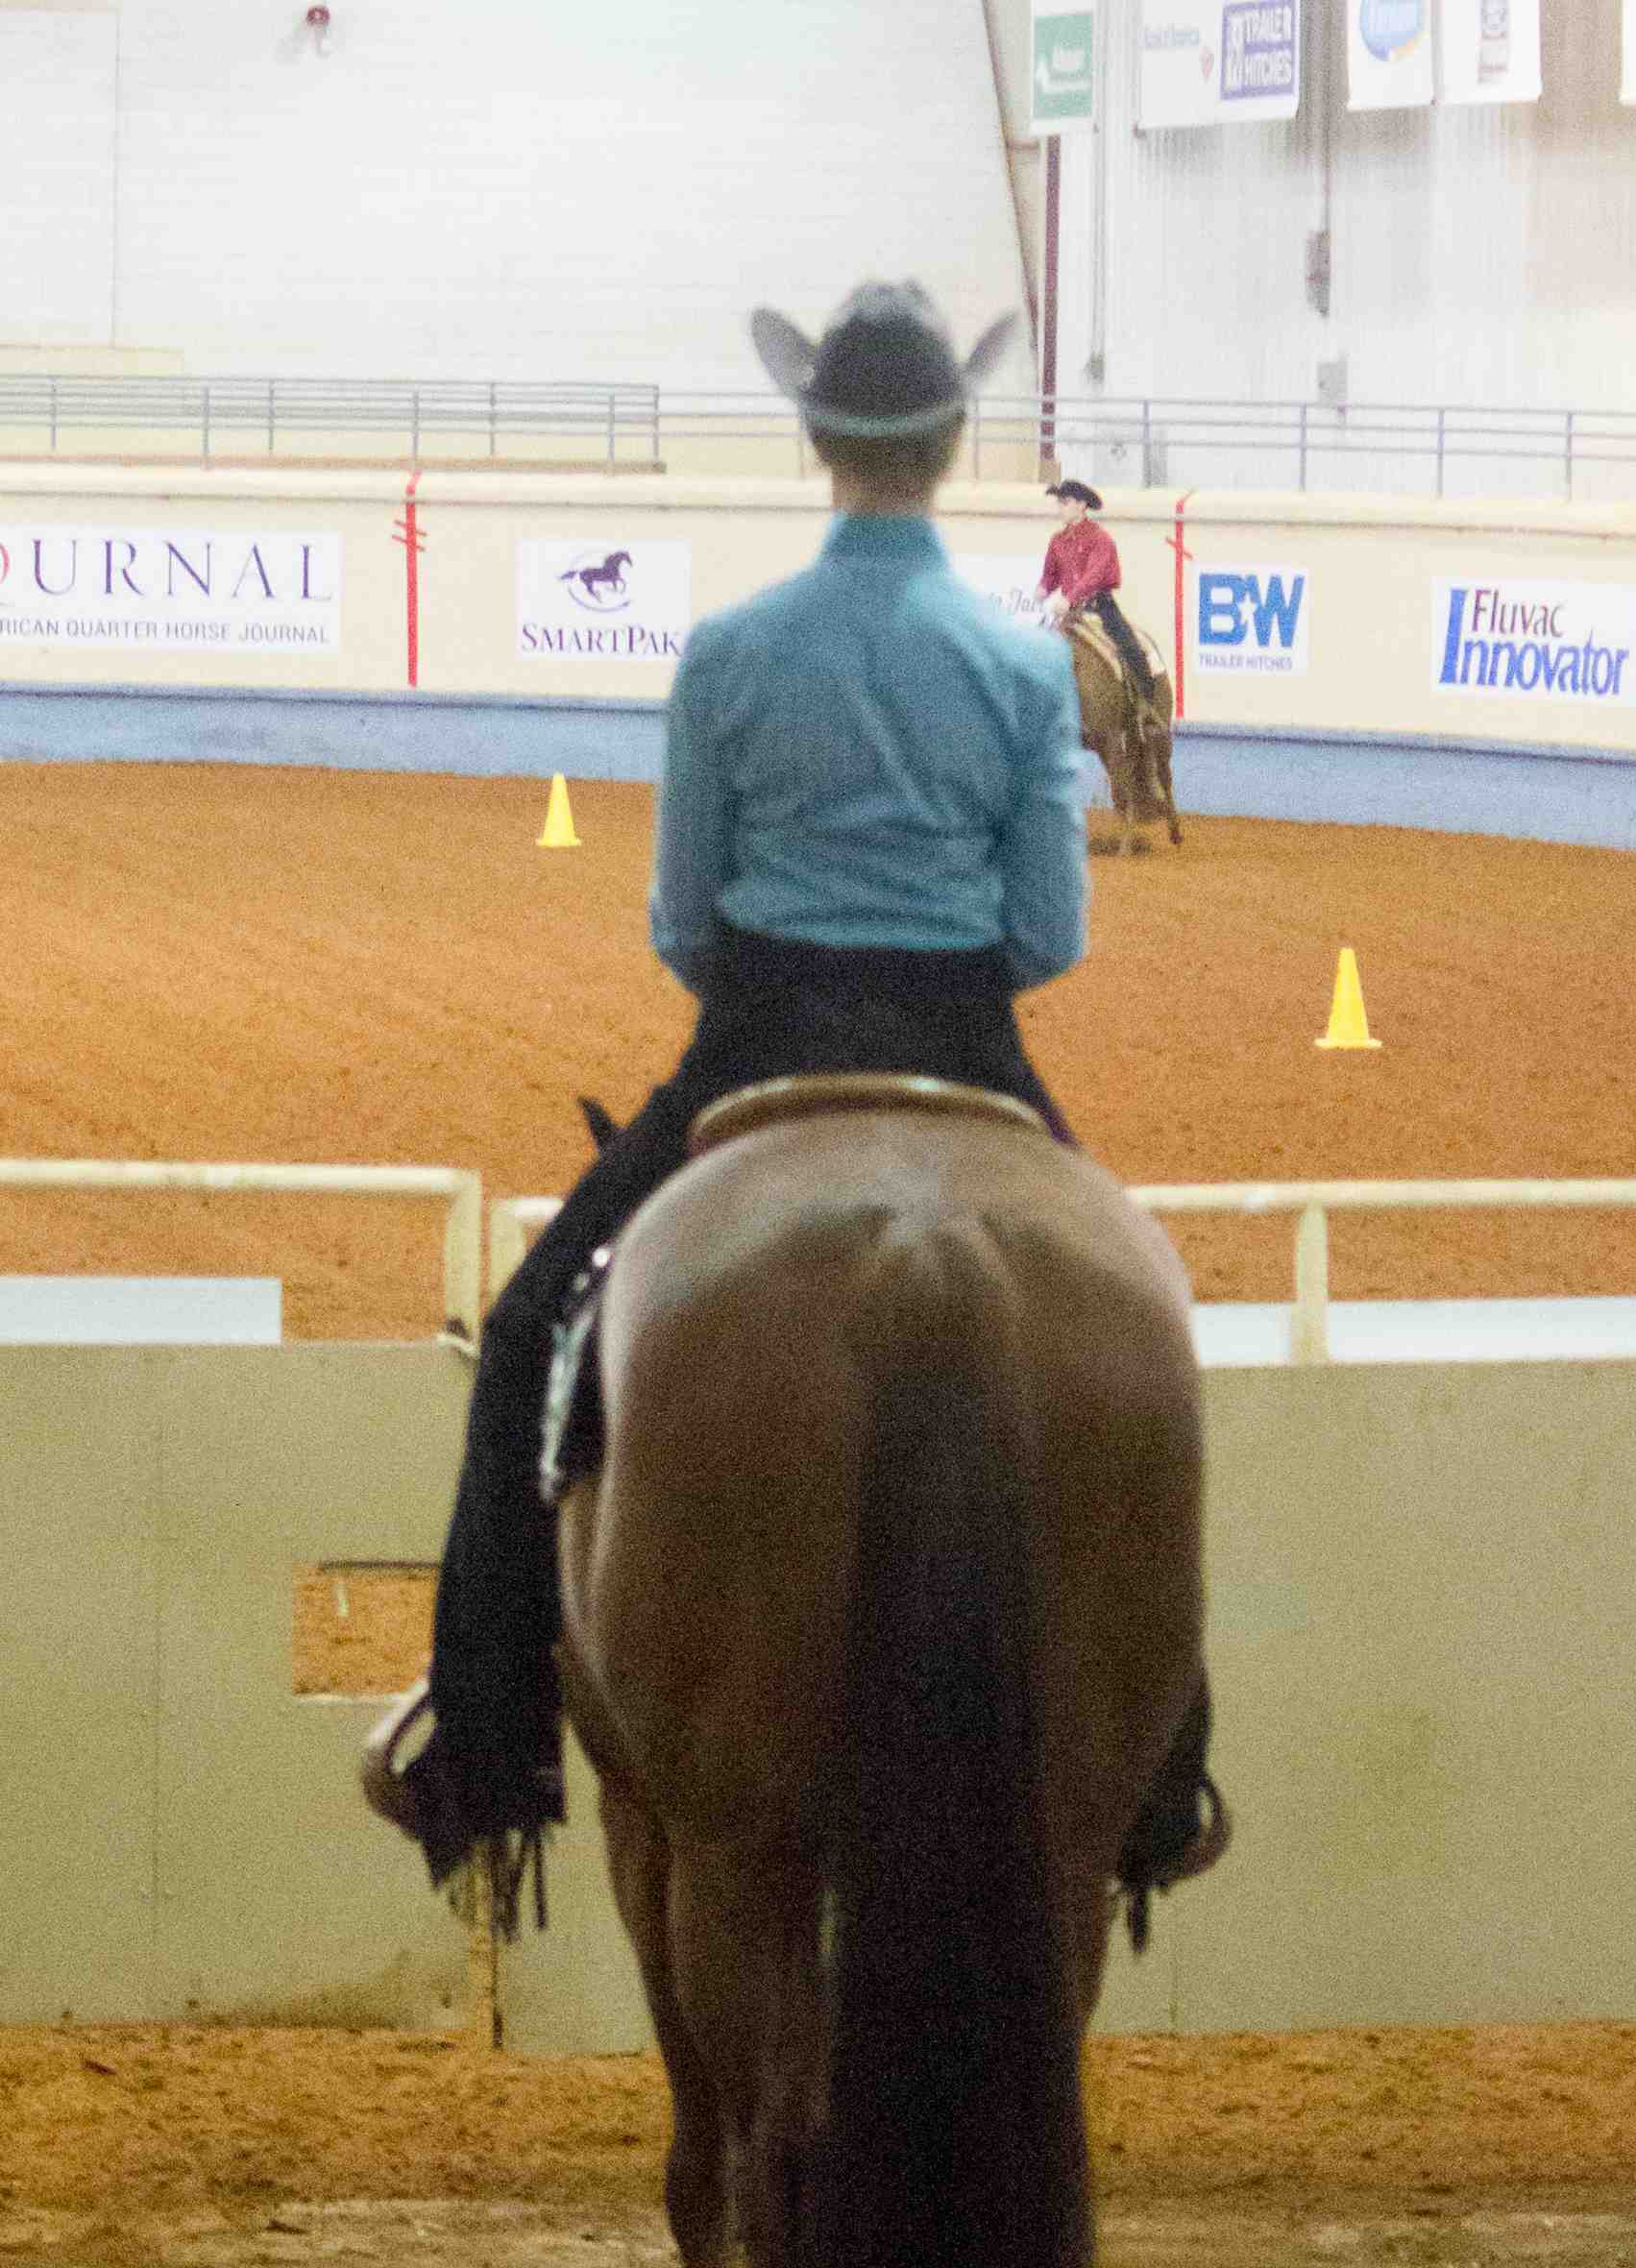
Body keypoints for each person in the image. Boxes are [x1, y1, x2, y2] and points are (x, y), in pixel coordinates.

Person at [361, 280, 1221, 1915]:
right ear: (952, 447)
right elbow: (1046, 930)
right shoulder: (1017, 673)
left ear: (820, 445)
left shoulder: (732, 651)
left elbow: (682, 922)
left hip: (754, 1031)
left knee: (535, 1333)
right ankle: (1159, 1766)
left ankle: (478, 1747)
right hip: (970, 1041)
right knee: (1143, 1334)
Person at [1040, 477, 1164, 718]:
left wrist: (1070, 597)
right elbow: (1050, 575)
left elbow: (1094, 575)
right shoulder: (1057, 541)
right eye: (1059, 503)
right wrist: (1043, 587)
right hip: (1070, 613)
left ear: (1081, 505)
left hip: (1100, 608)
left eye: (1065, 503)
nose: (1060, 508)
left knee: (1132, 649)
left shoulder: (1101, 539)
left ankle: (1147, 708)